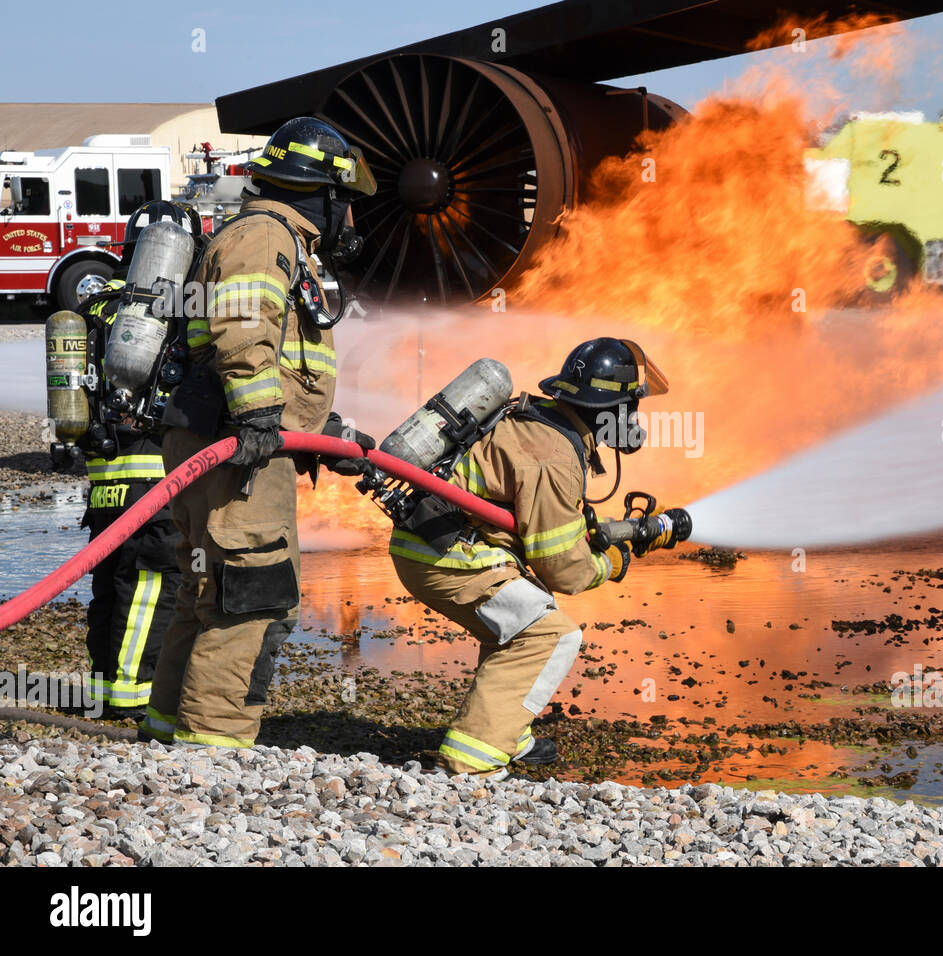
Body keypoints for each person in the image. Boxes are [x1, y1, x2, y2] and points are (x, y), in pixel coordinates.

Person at [140, 117, 376, 748]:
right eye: (345, 202)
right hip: (236, 448)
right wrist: (258, 418)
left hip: (228, 439)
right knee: (252, 594)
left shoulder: (272, 238)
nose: (349, 219)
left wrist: (322, 431)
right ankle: (215, 749)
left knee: (207, 590)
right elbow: (245, 327)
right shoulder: (266, 236)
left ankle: (167, 732)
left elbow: (286, 361)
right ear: (321, 194)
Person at [388, 337, 675, 777]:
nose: (633, 419)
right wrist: (611, 565)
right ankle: (471, 761)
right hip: (445, 555)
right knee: (548, 634)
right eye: (629, 407)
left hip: (434, 542)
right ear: (608, 409)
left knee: (520, 618)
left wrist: (617, 535)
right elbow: (563, 568)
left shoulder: (542, 422)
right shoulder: (554, 455)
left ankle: (505, 728)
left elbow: (546, 528)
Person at [70, 201, 205, 719]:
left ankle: (103, 693)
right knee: (151, 584)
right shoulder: (185, 304)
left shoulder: (95, 304)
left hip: (104, 476)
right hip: (157, 473)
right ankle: (133, 701)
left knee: (110, 584)